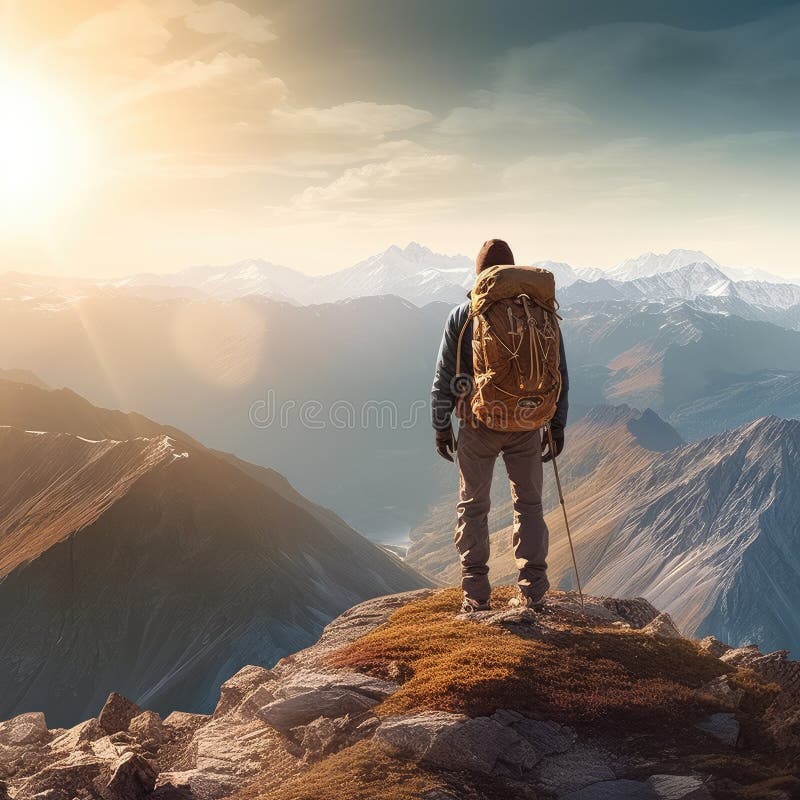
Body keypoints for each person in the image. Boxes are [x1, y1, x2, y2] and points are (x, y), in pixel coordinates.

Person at [431, 239, 569, 612]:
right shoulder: (539, 310)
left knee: (473, 506)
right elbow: (559, 372)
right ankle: (534, 592)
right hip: (529, 421)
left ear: (480, 274)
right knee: (529, 505)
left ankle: (475, 595)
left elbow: (446, 376)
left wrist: (441, 424)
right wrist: (556, 425)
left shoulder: (464, 314)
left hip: (478, 422)